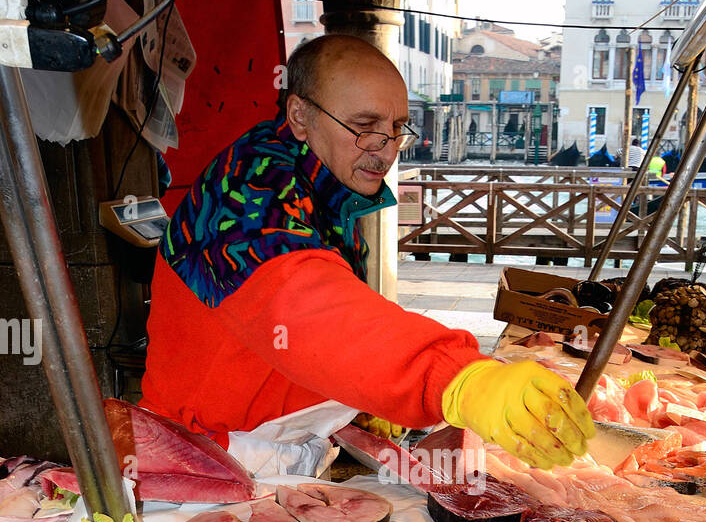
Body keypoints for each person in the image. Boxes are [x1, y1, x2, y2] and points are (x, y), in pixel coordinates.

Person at [142, 34, 592, 476]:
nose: (385, 148)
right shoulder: (249, 190)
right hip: (204, 462)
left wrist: (360, 396)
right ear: (300, 115)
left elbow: (334, 316)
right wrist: (454, 378)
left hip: (273, 448)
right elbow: (307, 309)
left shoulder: (319, 176)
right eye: (364, 126)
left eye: (397, 128)